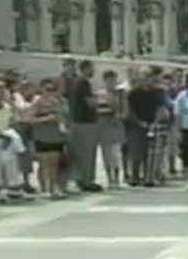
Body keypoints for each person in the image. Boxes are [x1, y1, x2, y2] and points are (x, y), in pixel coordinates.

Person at [27, 79, 69, 199]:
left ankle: (54, 188)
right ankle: (45, 189)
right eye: (47, 89)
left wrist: (61, 122)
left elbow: (63, 118)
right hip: (42, 137)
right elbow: (30, 119)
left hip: (55, 137)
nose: (50, 92)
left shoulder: (57, 102)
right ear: (41, 89)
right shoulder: (37, 102)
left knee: (54, 164)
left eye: (52, 89)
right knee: (44, 164)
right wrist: (46, 119)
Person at [125, 69, 166, 187]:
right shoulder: (133, 93)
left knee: (151, 153)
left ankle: (149, 178)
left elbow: (160, 109)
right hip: (136, 125)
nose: (147, 80)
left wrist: (154, 124)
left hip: (153, 124)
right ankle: (134, 176)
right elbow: (130, 111)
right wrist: (139, 122)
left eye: (149, 77)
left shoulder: (158, 92)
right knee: (136, 151)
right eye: (144, 77)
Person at [68, 60, 102, 193]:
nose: (93, 71)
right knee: (87, 153)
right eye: (92, 68)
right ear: (86, 68)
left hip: (78, 122)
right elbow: (90, 103)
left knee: (81, 153)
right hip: (85, 122)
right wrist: (98, 101)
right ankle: (87, 181)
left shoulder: (76, 82)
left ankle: (81, 179)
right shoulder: (83, 82)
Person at [95, 69, 127, 189]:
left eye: (113, 79)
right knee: (106, 154)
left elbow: (125, 111)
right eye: (108, 80)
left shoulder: (120, 93)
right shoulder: (99, 94)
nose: (111, 82)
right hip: (103, 126)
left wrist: (119, 116)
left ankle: (117, 178)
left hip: (116, 126)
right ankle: (109, 178)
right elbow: (96, 110)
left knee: (115, 154)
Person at [11, 79, 39, 196]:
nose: (25, 88)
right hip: (19, 127)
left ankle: (27, 182)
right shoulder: (15, 96)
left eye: (28, 86)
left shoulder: (36, 97)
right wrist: (31, 106)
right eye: (23, 86)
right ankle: (17, 183)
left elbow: (32, 110)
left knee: (29, 156)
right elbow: (21, 108)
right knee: (18, 155)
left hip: (32, 127)